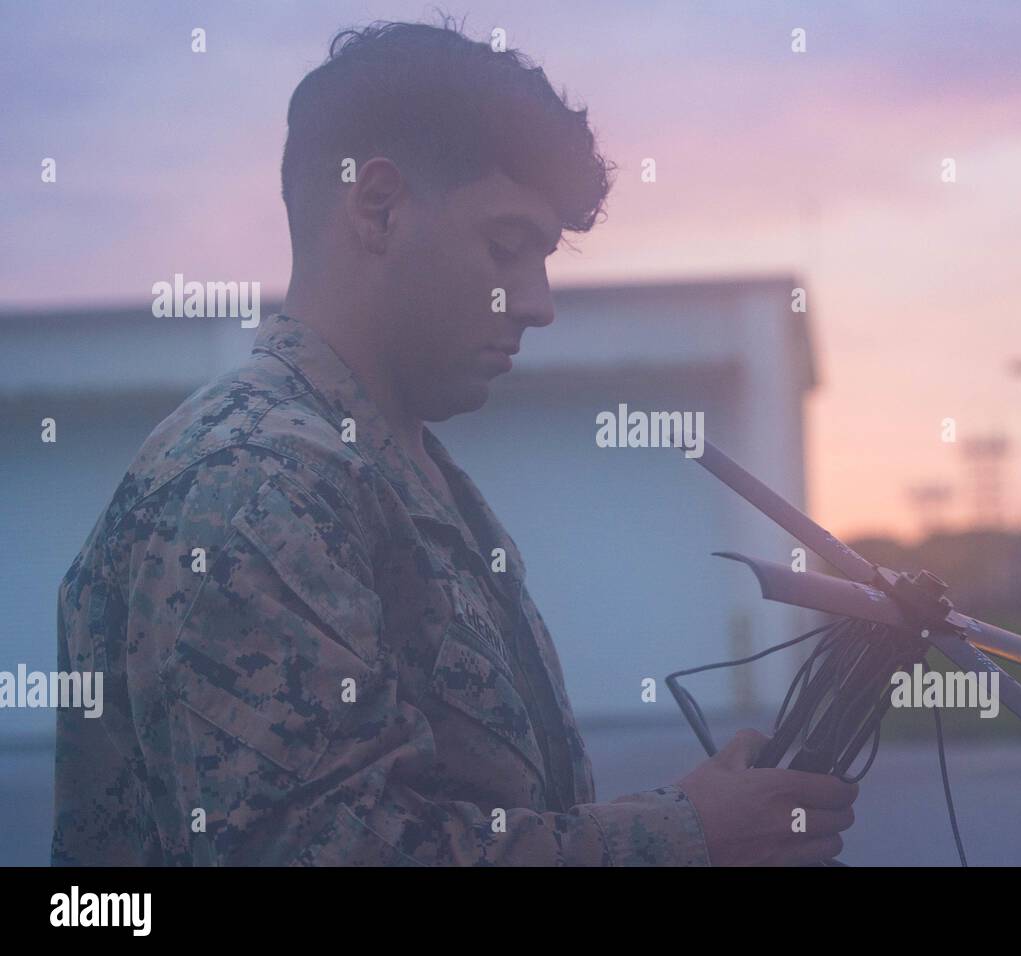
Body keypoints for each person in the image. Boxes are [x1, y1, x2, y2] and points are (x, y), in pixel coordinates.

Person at [52, 19, 857, 866]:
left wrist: (703, 817)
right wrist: (683, 835)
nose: (540, 303)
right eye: (508, 247)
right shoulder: (256, 480)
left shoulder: (391, 469)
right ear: (380, 207)